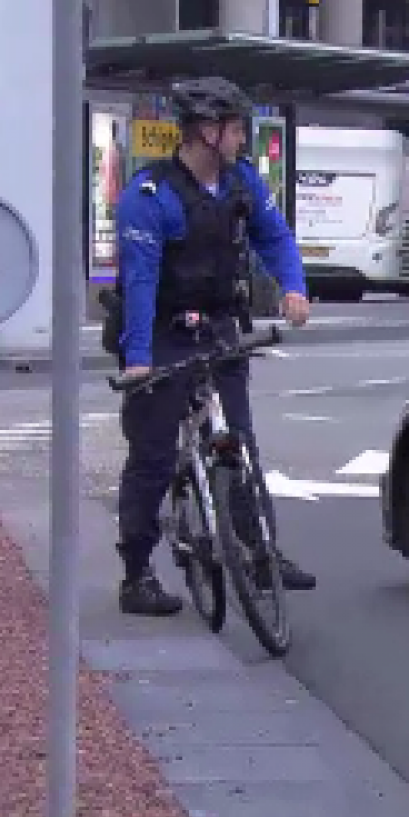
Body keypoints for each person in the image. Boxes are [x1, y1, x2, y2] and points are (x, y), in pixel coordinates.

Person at [111, 76, 317, 617]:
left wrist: (293, 287)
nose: (242, 137)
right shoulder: (150, 197)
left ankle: (259, 552)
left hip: (221, 325)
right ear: (207, 131)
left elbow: (274, 236)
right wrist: (137, 360)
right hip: (159, 331)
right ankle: (136, 572)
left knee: (238, 441)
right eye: (235, 127)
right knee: (153, 456)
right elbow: (138, 281)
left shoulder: (242, 182)